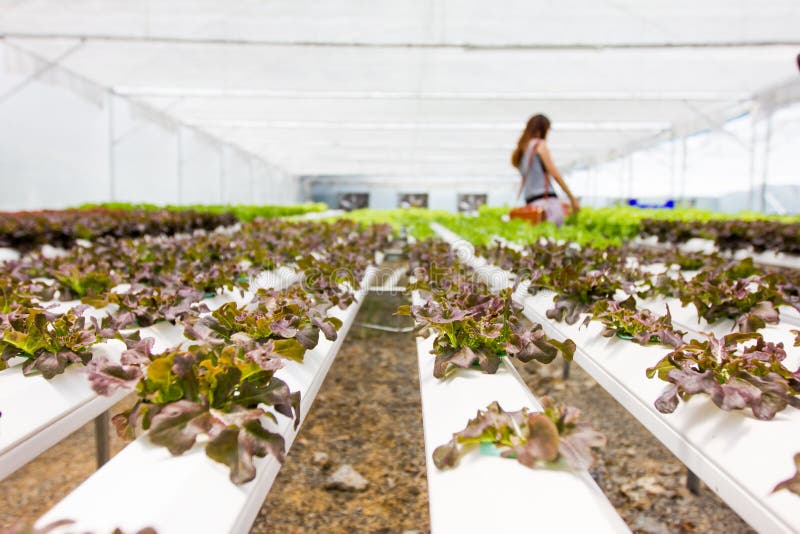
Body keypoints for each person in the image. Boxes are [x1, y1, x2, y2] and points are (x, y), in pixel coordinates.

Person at [512, 114, 579, 226]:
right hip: (547, 203)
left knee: (537, 235)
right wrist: (572, 198)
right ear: (543, 129)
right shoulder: (539, 145)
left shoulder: (520, 151)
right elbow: (555, 174)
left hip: (531, 203)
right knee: (552, 234)